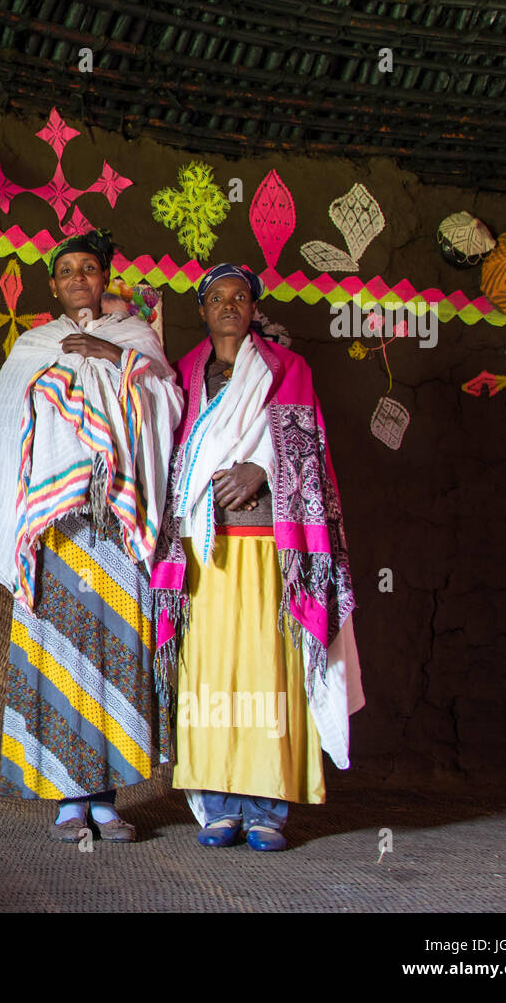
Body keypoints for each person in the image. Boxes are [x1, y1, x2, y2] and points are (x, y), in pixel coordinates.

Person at [0, 230, 183, 842]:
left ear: (105, 277)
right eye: (68, 270)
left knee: (115, 655)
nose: (80, 277)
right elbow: (8, 432)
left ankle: (108, 802)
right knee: (57, 658)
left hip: (115, 525)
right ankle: (67, 799)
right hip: (56, 530)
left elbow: (168, 405)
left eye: (90, 268)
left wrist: (112, 360)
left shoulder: (136, 340)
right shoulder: (34, 346)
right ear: (53, 285)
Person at [148, 263, 364, 851]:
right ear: (202, 309)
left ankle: (266, 808)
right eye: (216, 297)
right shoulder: (183, 373)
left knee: (271, 671)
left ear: (253, 307)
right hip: (202, 544)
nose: (227, 306)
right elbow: (164, 452)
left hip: (270, 543)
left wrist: (260, 470)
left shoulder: (287, 369)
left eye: (238, 297)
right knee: (211, 673)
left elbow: (305, 451)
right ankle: (218, 804)